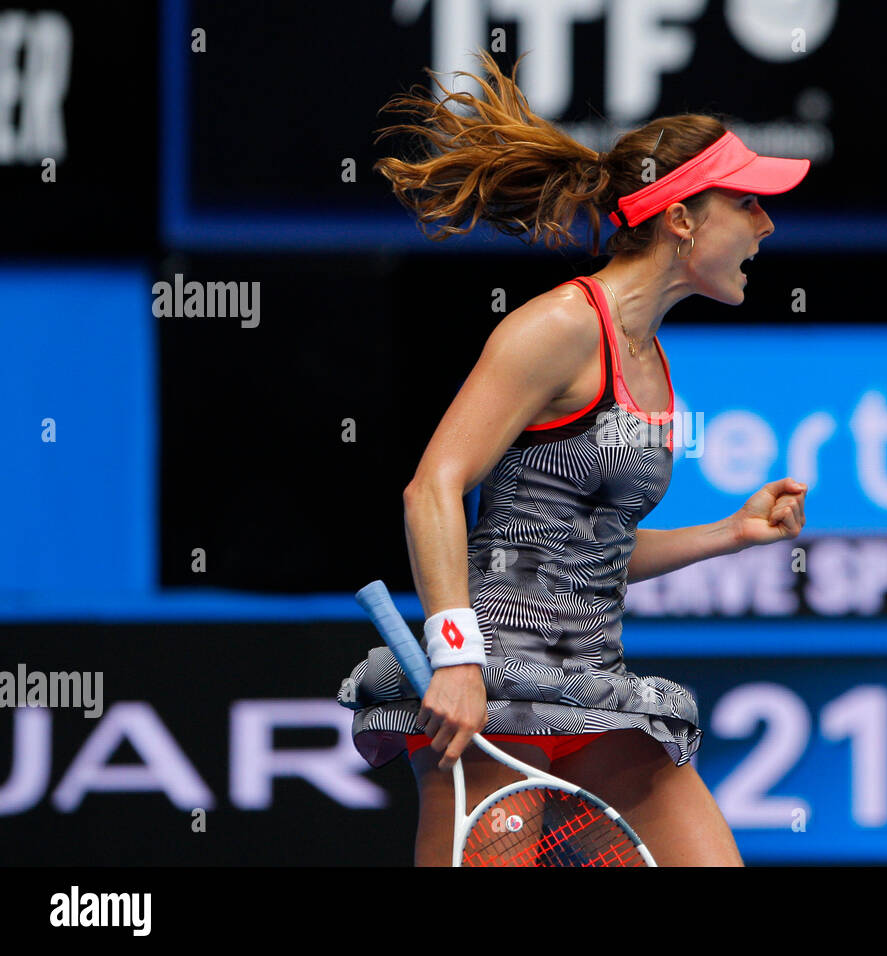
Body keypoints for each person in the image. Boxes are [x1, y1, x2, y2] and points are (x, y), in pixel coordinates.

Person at [338, 49, 810, 866]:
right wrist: (455, 659)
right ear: (683, 217)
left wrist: (728, 534)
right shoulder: (556, 329)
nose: (767, 225)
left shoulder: (655, 368)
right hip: (493, 696)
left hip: (595, 697)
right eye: (749, 203)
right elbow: (433, 487)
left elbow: (587, 554)